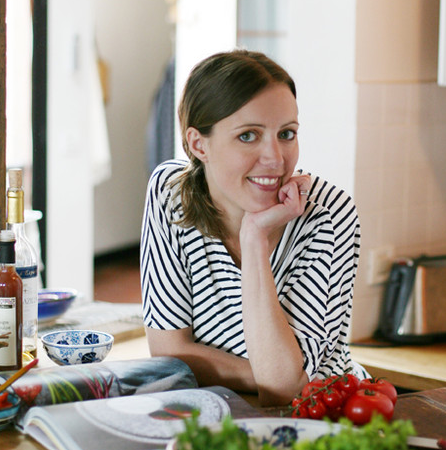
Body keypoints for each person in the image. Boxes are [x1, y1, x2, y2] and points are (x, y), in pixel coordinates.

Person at [140, 49, 366, 406]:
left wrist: (255, 236)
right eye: (248, 136)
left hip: (323, 417)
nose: (276, 159)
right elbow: (168, 352)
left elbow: (284, 392)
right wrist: (263, 371)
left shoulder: (327, 215)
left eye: (287, 134)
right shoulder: (170, 193)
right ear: (199, 144)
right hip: (219, 412)